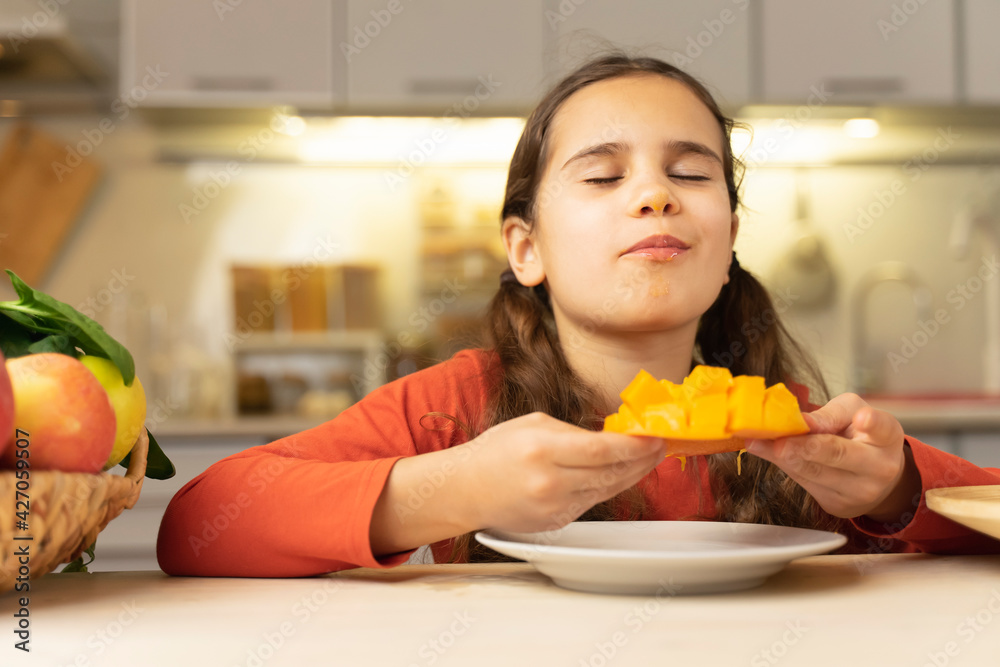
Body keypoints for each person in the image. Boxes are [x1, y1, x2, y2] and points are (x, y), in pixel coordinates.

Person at [157, 55, 1000, 578]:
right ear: (526, 249)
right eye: (602, 177)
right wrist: (453, 487)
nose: (655, 194)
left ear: (730, 242)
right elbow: (199, 523)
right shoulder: (454, 410)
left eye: (691, 174)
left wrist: (895, 488)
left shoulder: (793, 427)